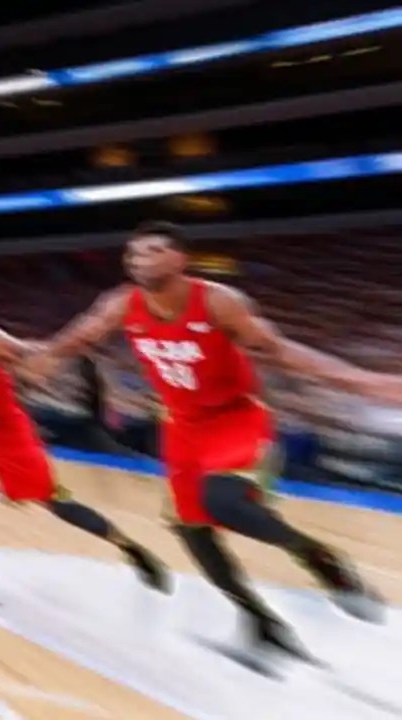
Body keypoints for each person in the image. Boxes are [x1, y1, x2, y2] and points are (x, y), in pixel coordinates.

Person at [27, 220, 389, 658]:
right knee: (192, 532)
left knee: (223, 503)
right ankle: (261, 621)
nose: (139, 260)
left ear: (180, 259)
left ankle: (324, 562)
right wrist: (48, 355)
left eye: (153, 251)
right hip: (181, 427)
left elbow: (279, 350)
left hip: (235, 419)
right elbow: (81, 335)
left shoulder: (219, 302)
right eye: (133, 254)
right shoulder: (122, 303)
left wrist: (359, 380)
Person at [0, 284, 169, 593]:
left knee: (54, 501)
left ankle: (134, 551)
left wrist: (59, 351)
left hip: (8, 434)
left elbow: (26, 352)